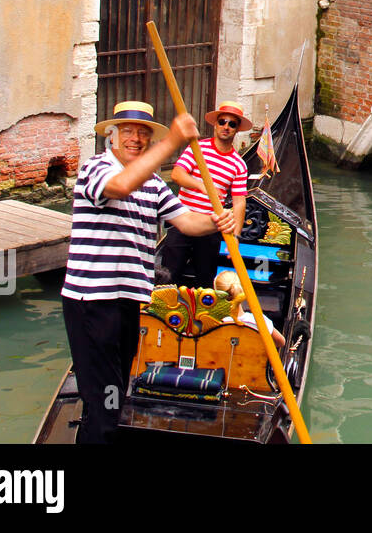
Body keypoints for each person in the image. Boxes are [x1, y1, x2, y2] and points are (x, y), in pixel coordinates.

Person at [62, 101, 235, 444]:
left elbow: (186, 221)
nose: (136, 139)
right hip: (92, 302)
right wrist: (172, 141)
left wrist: (220, 221)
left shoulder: (153, 184)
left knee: (112, 394)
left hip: (128, 302)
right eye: (127, 131)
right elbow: (119, 187)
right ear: (111, 136)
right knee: (104, 403)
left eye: (143, 133)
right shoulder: (95, 169)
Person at [162, 100, 252, 287]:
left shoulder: (238, 164)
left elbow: (239, 202)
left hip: (210, 227)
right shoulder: (198, 148)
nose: (226, 127)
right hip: (182, 220)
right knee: (169, 276)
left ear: (236, 130)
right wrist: (202, 185)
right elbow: (177, 174)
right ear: (215, 124)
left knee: (205, 281)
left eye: (232, 124)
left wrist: (235, 237)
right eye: (222, 122)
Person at [214, 270, 285, 349]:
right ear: (240, 290)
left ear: (217, 295)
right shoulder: (257, 321)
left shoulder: (212, 322)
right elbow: (281, 342)